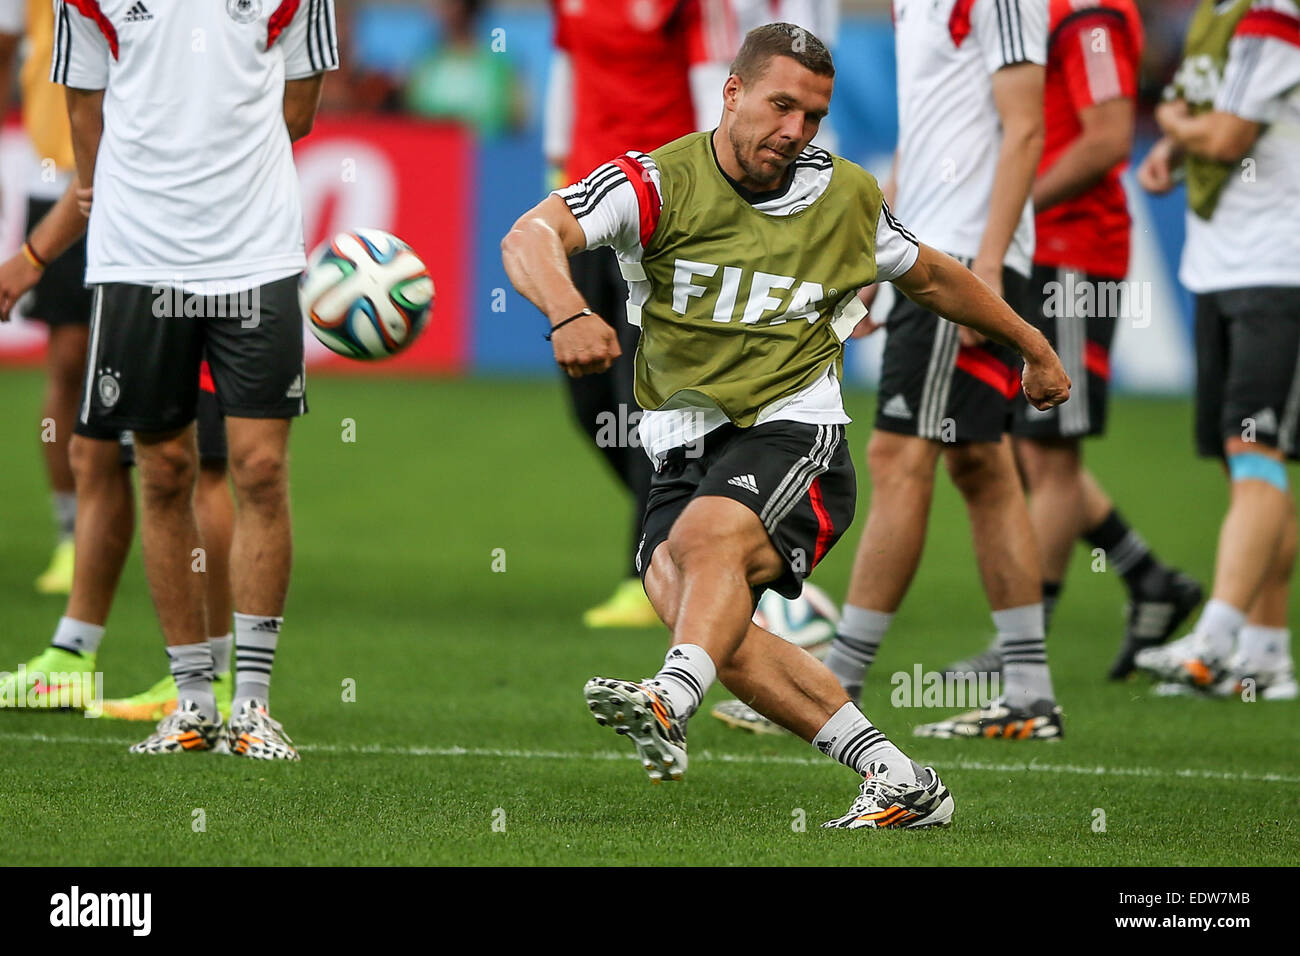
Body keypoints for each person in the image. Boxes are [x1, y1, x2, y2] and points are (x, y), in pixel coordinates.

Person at [503, 23, 1070, 827]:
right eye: (781, 106)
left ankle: (668, 696)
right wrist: (565, 311)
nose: (795, 131)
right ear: (731, 93)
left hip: (795, 437)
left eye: (813, 116)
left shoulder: (843, 195)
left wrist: (1033, 346)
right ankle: (898, 775)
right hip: (682, 450)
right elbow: (529, 235)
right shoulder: (656, 180)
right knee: (712, 623)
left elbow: (936, 276)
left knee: (704, 552)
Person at [52, 0, 338, 757]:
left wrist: (218, 177)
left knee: (261, 469)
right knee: (164, 469)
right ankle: (189, 702)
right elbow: (84, 108)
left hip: (256, 251)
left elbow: (299, 109)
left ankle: (251, 705)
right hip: (138, 256)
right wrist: (137, 193)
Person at [818, 0, 1065, 741]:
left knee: (897, 453)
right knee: (981, 465)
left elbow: (1026, 126)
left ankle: (835, 682)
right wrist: (870, 260)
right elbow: (924, 143)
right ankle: (1029, 694)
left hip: (960, 256)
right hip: (928, 247)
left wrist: (984, 270)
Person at [950, 0, 1203, 684]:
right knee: (1031, 444)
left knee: (1049, 453)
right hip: (1041, 250)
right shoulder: (1040, 11)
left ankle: (1020, 650)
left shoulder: (1090, 17)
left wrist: (1010, 208)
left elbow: (1107, 138)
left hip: (1074, 255)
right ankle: (1149, 577)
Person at [0, 181, 236, 721]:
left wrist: (35, 254)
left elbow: (99, 155)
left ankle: (210, 675)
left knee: (195, 463)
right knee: (95, 450)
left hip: (199, 245)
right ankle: (72, 655)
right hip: (122, 246)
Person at [1134, 0, 1300, 700]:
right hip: (1218, 265)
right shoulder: (1217, 16)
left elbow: (1229, 136)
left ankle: (1213, 640)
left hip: (1280, 268)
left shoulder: (1272, 15)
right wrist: (1175, 140)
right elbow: (1191, 108)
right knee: (1252, 468)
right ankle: (1266, 658)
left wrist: (1179, 128)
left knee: (1255, 454)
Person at [544, 0, 727, 628]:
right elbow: (568, 65)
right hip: (585, 197)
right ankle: (694, 527)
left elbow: (712, 84)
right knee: (590, 402)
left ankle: (644, 572)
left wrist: (708, 195)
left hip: (656, 205)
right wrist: (554, 160)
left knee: (640, 399)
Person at [0, 0, 93, 594]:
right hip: (58, 174)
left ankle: (177, 527)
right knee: (68, 359)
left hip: (147, 178)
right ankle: (71, 535)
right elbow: (7, 46)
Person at [404, 0, 525, 139]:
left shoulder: (501, 62)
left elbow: (517, 120)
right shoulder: (424, 60)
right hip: (433, 155)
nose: (434, 6)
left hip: (489, 156)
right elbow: (410, 117)